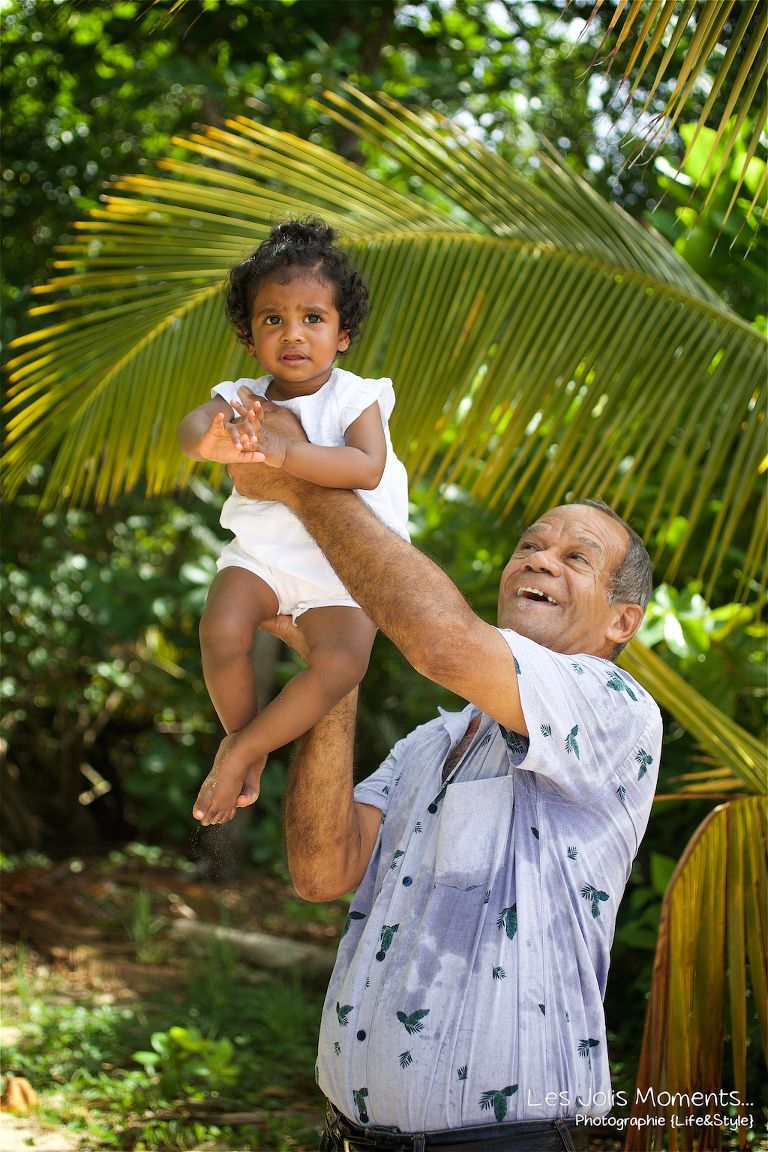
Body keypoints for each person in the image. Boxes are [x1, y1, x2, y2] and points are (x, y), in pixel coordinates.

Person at [215, 401, 663, 1149]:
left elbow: (446, 645)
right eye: (530, 545)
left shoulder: (618, 710)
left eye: (576, 557)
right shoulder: (432, 741)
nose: (540, 559)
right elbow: (323, 871)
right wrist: (335, 674)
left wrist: (297, 480)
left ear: (623, 622)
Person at [177, 218, 409, 826]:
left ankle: (247, 749)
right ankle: (243, 741)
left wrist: (282, 454)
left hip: (345, 571)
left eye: (313, 318)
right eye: (272, 319)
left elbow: (364, 467)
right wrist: (213, 444)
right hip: (263, 556)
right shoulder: (246, 398)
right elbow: (190, 428)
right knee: (220, 631)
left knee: (342, 664)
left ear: (344, 334)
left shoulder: (355, 396)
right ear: (250, 339)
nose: (293, 333)